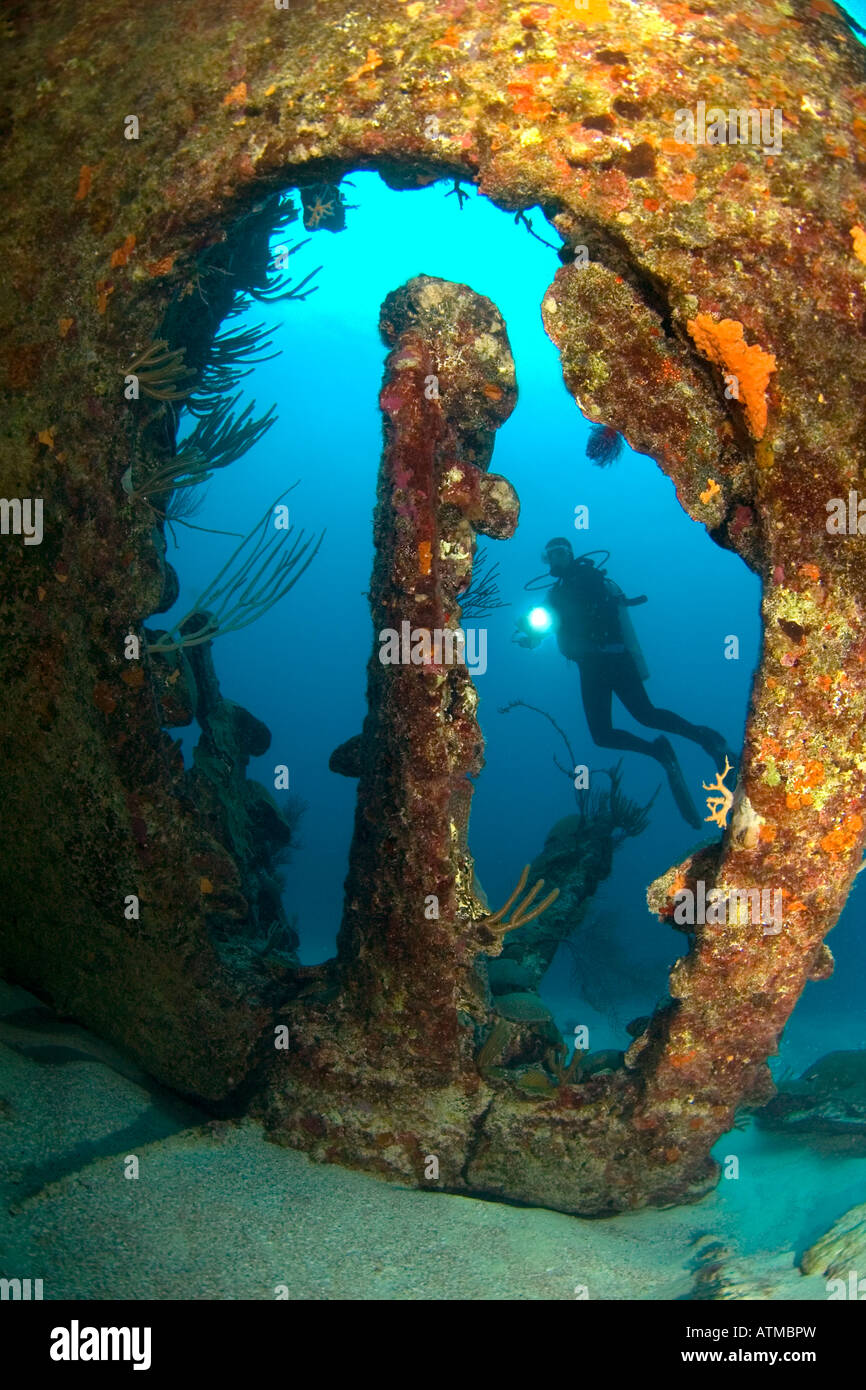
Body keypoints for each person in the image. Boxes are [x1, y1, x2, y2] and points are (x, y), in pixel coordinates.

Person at [516, 538, 732, 829]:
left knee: (647, 714)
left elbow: (579, 614)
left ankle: (710, 741)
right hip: (589, 668)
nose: (555, 559)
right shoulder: (556, 593)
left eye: (561, 553)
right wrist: (533, 637)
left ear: (570, 554)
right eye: (550, 555)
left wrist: (550, 621)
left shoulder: (589, 578)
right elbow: (553, 623)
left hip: (615, 659)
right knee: (602, 735)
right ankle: (659, 752)